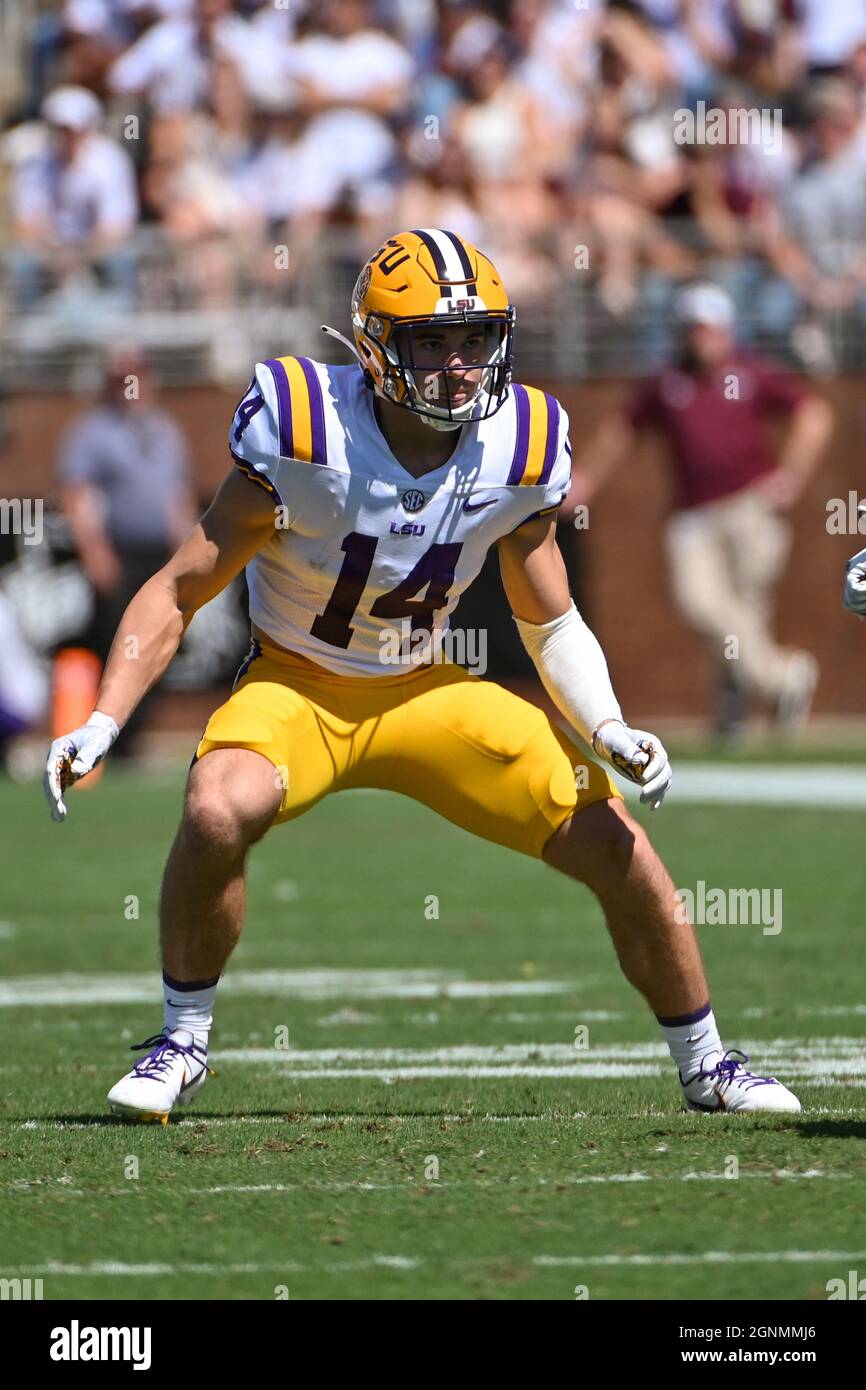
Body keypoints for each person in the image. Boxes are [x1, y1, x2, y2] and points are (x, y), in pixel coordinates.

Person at [44, 230, 800, 1120]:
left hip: (425, 688)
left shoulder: (524, 441)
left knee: (617, 844)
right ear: (375, 345)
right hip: (299, 685)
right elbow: (180, 587)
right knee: (216, 808)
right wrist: (106, 718)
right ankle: (182, 1041)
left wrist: (607, 726)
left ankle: (708, 1064)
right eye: (431, 343)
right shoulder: (301, 425)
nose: (458, 364)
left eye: (475, 339)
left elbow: (549, 618)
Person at [571, 281, 833, 736]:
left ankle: (732, 714)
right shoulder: (668, 382)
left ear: (727, 329)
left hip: (751, 507)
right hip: (693, 514)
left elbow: (814, 414)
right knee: (701, 603)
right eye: (694, 329)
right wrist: (587, 478)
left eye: (709, 328)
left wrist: (791, 475)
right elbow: (621, 429)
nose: (701, 338)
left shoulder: (751, 373)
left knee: (745, 613)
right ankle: (781, 678)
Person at [57, 347, 196, 758]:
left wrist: (184, 553)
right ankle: (107, 736)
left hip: (160, 557)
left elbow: (179, 495)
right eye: (122, 380)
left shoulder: (165, 430)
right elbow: (77, 495)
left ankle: (133, 737)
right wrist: (96, 552)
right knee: (118, 642)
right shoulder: (94, 431)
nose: (130, 388)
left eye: (135, 377)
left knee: (160, 642)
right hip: (119, 553)